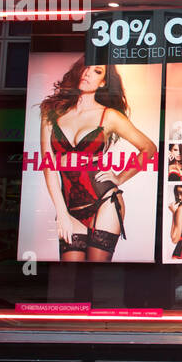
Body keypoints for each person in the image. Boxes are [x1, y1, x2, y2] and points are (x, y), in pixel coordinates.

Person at [40, 58, 157, 261]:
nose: (87, 73)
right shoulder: (52, 112)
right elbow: (48, 167)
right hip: (70, 205)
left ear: (103, 82)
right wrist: (62, 214)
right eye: (86, 68)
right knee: (71, 278)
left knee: (96, 276)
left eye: (97, 71)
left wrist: (119, 178)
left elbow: (149, 148)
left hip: (105, 201)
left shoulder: (109, 116)